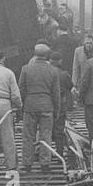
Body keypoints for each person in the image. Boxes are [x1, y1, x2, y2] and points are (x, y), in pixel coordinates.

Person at [18, 43, 61, 175]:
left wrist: (23, 105)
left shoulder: (25, 69)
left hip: (30, 106)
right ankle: (45, 164)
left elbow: (21, 89)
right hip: (47, 106)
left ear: (35, 54)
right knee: (45, 135)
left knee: (28, 136)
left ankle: (27, 164)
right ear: (47, 55)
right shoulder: (53, 70)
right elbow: (56, 93)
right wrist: (57, 109)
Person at [50, 51, 73, 154]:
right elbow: (70, 85)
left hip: (47, 105)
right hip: (60, 105)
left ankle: (44, 154)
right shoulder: (64, 74)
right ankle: (60, 152)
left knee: (45, 130)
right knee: (59, 131)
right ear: (60, 61)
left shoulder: (47, 72)